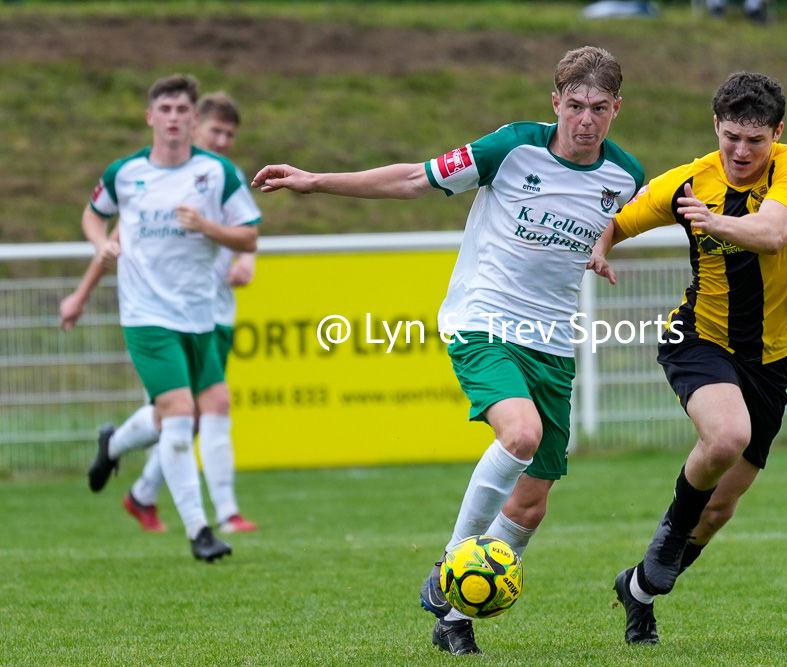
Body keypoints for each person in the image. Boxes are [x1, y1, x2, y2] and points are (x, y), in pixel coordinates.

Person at [251, 46, 643, 655]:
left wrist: (607, 243)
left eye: (597, 108)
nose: (584, 119)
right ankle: (451, 563)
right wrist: (315, 181)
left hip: (552, 341)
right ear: (555, 103)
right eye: (573, 106)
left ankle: (456, 617)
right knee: (519, 435)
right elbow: (415, 178)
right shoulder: (510, 148)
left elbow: (638, 218)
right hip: (482, 320)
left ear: (616, 108)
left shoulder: (626, 177)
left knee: (532, 502)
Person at [588, 71, 787, 644]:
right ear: (715, 126)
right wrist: (598, 246)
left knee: (718, 511)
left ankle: (639, 590)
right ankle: (667, 538)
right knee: (725, 436)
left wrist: (716, 222)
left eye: (755, 140)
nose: (741, 152)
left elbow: (771, 233)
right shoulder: (690, 180)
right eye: (730, 137)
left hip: (770, 356)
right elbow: (621, 219)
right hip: (700, 337)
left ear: (777, 134)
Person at [81, 74, 261, 561]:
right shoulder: (125, 173)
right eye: (166, 109)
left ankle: (115, 445)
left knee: (181, 414)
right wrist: (102, 246)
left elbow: (249, 238)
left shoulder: (218, 174)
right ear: (151, 117)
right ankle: (203, 529)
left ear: (193, 118)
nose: (175, 118)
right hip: (145, 317)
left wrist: (206, 227)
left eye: (183, 110)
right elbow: (94, 214)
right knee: (182, 414)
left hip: (202, 317)